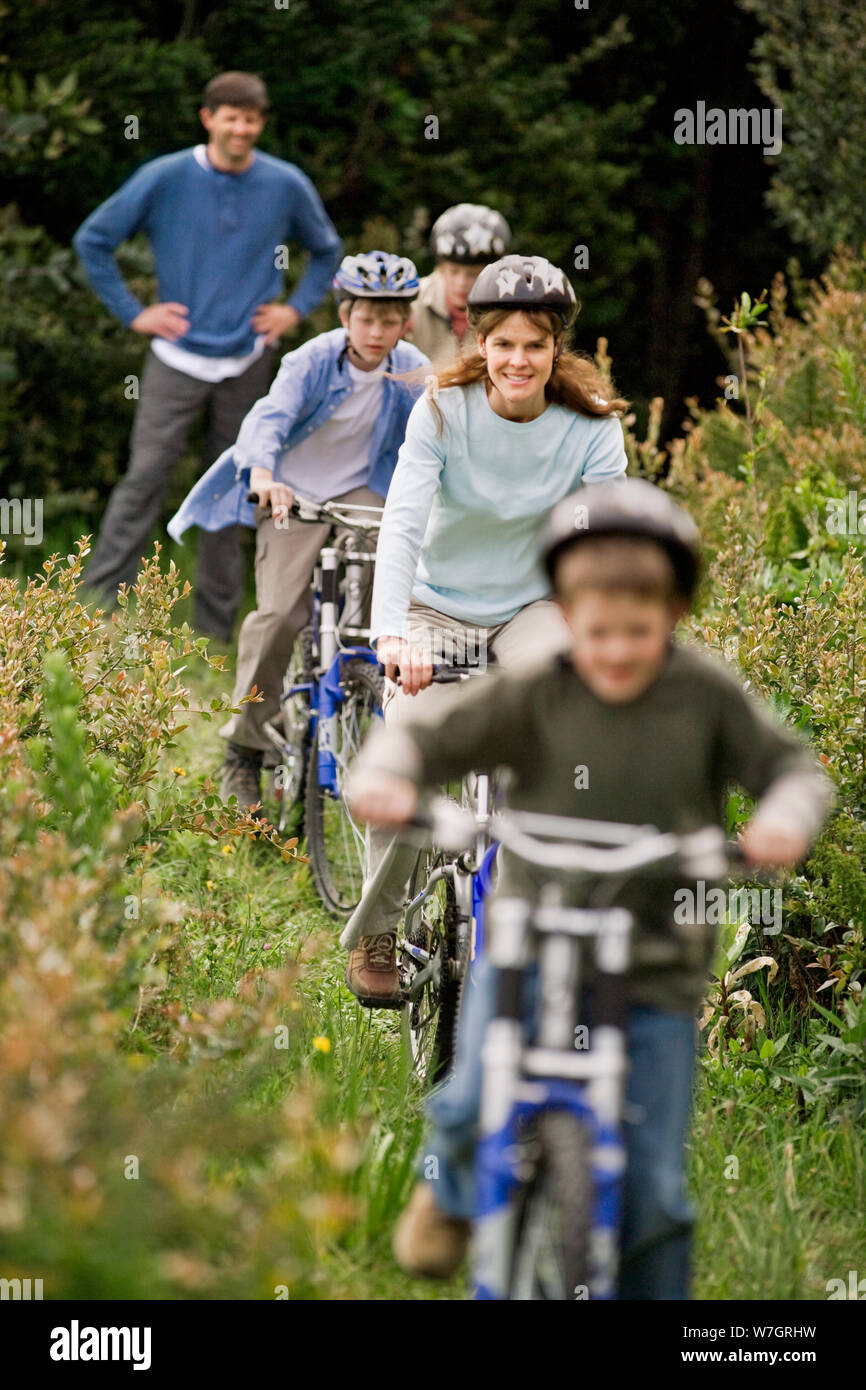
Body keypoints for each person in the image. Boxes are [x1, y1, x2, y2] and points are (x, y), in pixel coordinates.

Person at [345, 478, 833, 1298]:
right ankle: (453, 1192)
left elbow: (790, 769)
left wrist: (784, 817)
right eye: (595, 630)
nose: (613, 651)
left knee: (654, 1196)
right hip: (532, 932)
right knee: (469, 1106)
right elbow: (426, 734)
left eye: (637, 632)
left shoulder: (703, 697)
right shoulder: (539, 690)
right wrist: (389, 774)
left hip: (655, 971)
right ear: (564, 616)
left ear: (675, 615)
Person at [346, 253, 628, 1009]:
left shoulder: (592, 425)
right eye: (504, 342)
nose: (519, 360)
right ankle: (377, 931)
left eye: (536, 345)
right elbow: (403, 525)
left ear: (556, 349)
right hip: (435, 607)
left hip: (532, 609)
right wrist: (391, 636)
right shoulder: (441, 408)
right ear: (481, 340)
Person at [74, 70, 342, 640]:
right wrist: (133, 312)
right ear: (208, 118)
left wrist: (294, 309)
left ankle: (215, 635)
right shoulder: (166, 176)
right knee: (144, 478)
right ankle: (94, 615)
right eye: (231, 117)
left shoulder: (284, 183)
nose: (241, 128)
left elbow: (327, 250)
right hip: (175, 357)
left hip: (249, 361)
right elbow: (93, 240)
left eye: (251, 119)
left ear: (260, 123)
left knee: (236, 489)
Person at [167, 251, 430, 811]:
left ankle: (359, 687)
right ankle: (244, 746)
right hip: (291, 493)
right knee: (280, 615)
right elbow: (269, 418)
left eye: (390, 320)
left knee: (389, 595)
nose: (378, 332)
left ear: (406, 321)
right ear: (344, 316)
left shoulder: (413, 368)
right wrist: (263, 475)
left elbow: (439, 434)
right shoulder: (311, 361)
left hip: (362, 493)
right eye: (366, 319)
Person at [408, 204, 511, 364]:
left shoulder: (510, 308)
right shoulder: (411, 300)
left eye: (473, 274)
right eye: (453, 271)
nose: (461, 283)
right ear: (441, 268)